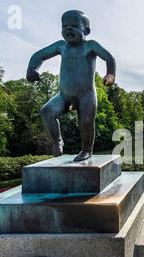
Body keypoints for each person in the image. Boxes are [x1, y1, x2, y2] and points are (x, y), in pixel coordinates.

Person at [26, 10, 116, 161]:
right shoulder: (62, 46)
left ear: (86, 30)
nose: (68, 29)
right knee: (46, 111)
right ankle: (57, 141)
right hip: (64, 96)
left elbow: (108, 57)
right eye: (65, 26)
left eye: (74, 26)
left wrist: (110, 74)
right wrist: (32, 69)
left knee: (86, 122)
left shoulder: (90, 46)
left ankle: (86, 150)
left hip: (86, 95)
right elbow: (39, 55)